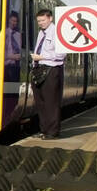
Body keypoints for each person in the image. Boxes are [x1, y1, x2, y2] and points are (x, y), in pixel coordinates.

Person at [31, 8, 64, 139]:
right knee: (41, 102)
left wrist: (42, 57)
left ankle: (52, 132)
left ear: (50, 18)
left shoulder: (57, 32)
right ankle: (44, 130)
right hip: (39, 69)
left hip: (52, 69)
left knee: (51, 102)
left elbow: (61, 54)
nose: (41, 23)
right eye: (39, 21)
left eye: (43, 20)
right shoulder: (41, 33)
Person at [4, 11, 22, 82]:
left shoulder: (18, 35)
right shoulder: (4, 33)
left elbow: (19, 48)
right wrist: (11, 57)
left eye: (16, 21)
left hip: (16, 66)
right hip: (6, 65)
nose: (14, 23)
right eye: (12, 20)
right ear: (9, 20)